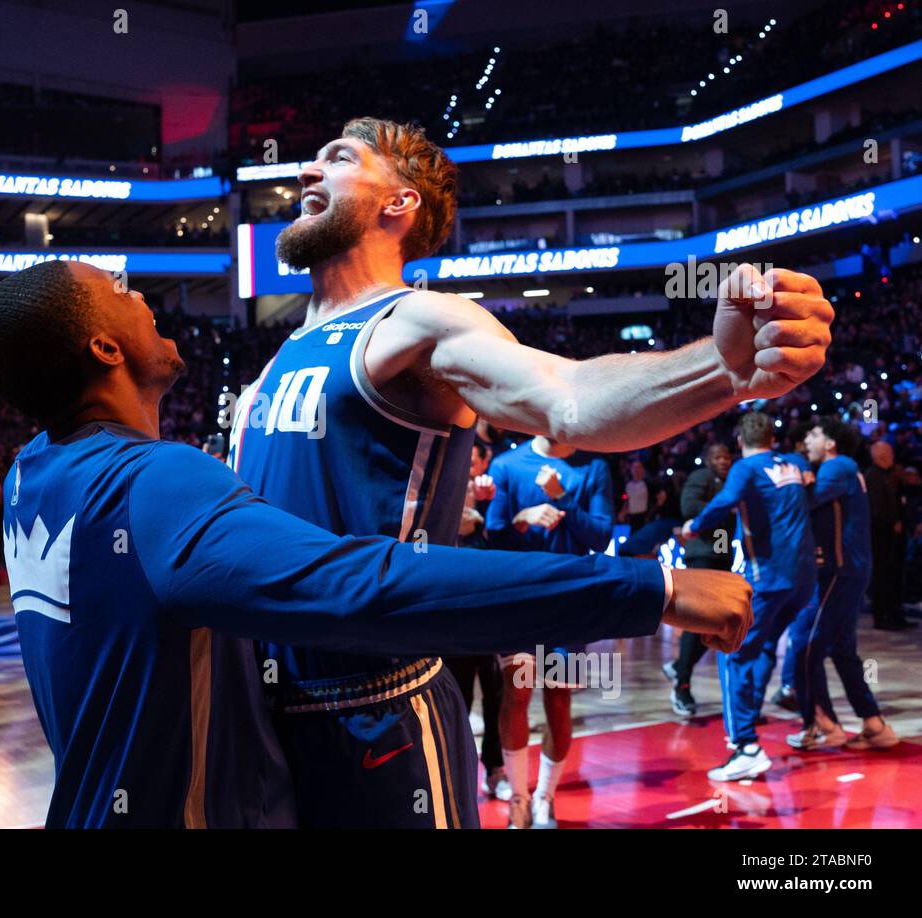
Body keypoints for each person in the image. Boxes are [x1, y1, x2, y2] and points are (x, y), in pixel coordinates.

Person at [0, 259, 751, 828]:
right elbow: (366, 586)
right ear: (104, 350)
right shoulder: (157, 482)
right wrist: (651, 589)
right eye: (118, 293)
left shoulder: (32, 475)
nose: (139, 295)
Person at [227, 117, 832, 825]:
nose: (306, 170)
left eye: (337, 159)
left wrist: (722, 369)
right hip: (262, 718)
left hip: (377, 718)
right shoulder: (274, 364)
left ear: (399, 204)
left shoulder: (418, 321)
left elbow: (570, 400)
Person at [485, 436, 614, 828]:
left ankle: (545, 797)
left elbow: (601, 536)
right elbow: (495, 533)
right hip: (522, 597)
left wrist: (562, 499)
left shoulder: (593, 467)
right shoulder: (507, 465)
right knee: (517, 691)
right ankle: (519, 799)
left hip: (570, 600)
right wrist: (523, 518)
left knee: (558, 699)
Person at [683, 412, 816, 781]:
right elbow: (810, 486)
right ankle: (752, 712)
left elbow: (725, 502)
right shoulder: (796, 462)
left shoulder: (745, 469)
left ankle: (745, 746)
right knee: (767, 643)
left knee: (734, 652)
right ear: (773, 438)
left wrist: (695, 525)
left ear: (741, 441)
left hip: (768, 576)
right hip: (804, 578)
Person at [786, 417, 898, 750]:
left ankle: (825, 725)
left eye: (815, 433)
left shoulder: (836, 468)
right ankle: (875, 725)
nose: (808, 438)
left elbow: (804, 503)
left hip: (839, 570)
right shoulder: (847, 468)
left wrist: (799, 479)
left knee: (805, 647)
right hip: (852, 568)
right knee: (842, 650)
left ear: (831, 444)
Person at [445, 440, 508, 801]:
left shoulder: (492, 492)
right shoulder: (443, 488)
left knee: (498, 694)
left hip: (491, 613)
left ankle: (495, 769)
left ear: (485, 461)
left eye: (473, 457)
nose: (467, 462)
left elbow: (505, 544)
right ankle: (459, 770)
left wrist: (482, 514)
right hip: (454, 617)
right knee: (458, 696)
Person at [664, 443, 735, 716]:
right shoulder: (700, 478)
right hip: (701, 556)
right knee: (696, 624)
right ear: (708, 459)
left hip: (721, 556)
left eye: (727, 456)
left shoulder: (731, 481)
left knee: (717, 627)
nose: (723, 461)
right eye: (718, 457)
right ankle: (681, 685)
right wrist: (724, 507)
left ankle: (679, 666)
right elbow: (688, 507)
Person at [865, 441, 914, 630]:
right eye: (890, 452)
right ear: (882, 455)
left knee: (895, 575)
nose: (893, 455)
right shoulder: (874, 477)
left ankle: (895, 613)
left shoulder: (891, 475)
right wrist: (893, 522)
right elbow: (876, 509)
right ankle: (882, 616)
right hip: (882, 536)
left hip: (895, 536)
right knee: (882, 575)